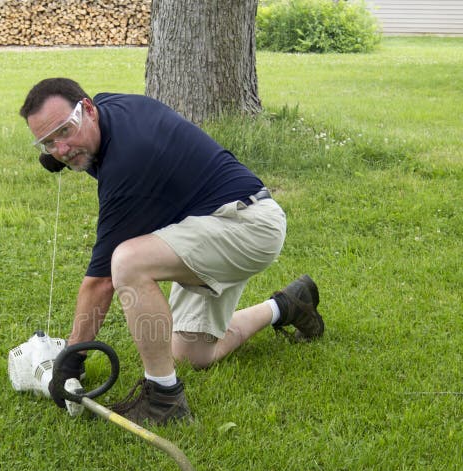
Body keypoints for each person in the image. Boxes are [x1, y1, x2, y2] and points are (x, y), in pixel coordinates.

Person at [19, 77, 324, 426]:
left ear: (87, 109)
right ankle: (287, 305)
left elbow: (100, 284)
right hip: (207, 223)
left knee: (128, 261)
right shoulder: (108, 110)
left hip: (248, 226)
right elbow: (76, 143)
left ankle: (163, 398)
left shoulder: (127, 160)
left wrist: (70, 361)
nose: (61, 149)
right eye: (48, 143)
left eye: (65, 130)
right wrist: (67, 147)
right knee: (191, 353)